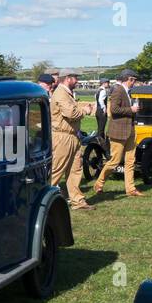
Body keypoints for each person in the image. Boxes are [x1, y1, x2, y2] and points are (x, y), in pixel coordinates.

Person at [49, 70, 95, 210]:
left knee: (75, 169)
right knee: (57, 169)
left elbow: (71, 110)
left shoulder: (66, 93)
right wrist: (85, 111)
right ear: (68, 78)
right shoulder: (61, 93)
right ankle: (39, 200)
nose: (77, 81)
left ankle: (78, 201)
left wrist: (82, 108)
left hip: (72, 135)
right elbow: (71, 113)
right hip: (63, 137)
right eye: (76, 78)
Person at [95, 69, 144, 198]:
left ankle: (131, 189)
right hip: (118, 132)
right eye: (133, 80)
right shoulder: (118, 90)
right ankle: (99, 183)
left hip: (130, 131)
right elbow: (114, 109)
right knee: (114, 161)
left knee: (130, 161)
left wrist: (135, 109)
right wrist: (131, 109)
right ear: (129, 79)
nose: (134, 82)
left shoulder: (127, 92)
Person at [95, 78, 111, 150]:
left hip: (97, 111)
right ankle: (102, 145)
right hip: (101, 111)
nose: (108, 84)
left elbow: (96, 98)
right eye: (107, 82)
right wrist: (104, 108)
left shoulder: (98, 90)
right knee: (101, 129)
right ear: (104, 83)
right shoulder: (103, 91)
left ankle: (99, 143)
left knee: (99, 129)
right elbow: (100, 100)